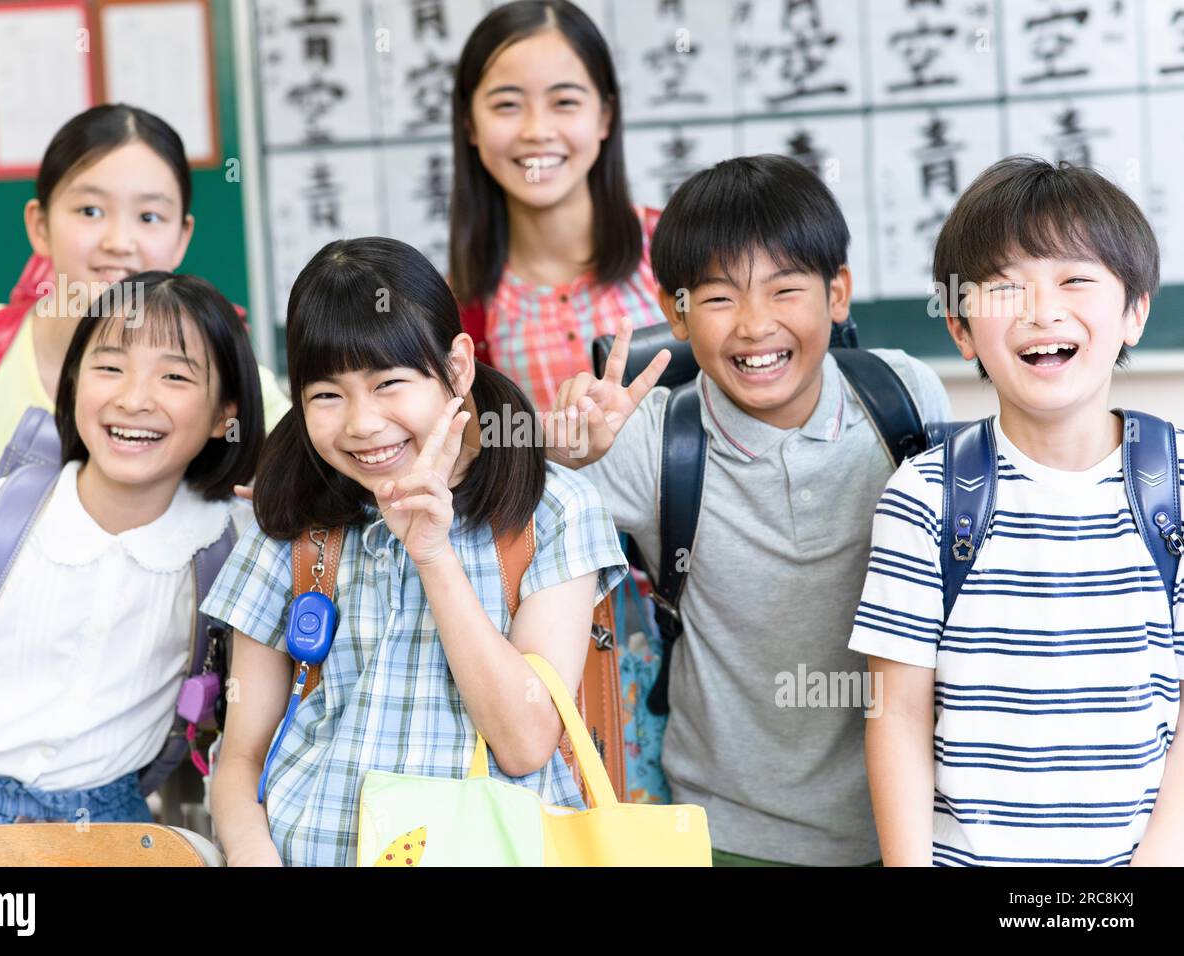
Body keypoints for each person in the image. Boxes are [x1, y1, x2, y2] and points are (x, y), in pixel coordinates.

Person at [546, 155, 952, 865]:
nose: (755, 326)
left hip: (909, 822)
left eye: (786, 288)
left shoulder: (906, 398)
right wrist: (567, 460)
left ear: (838, 294)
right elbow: (499, 524)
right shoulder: (648, 440)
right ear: (676, 312)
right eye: (720, 298)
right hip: (728, 833)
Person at [202, 237, 627, 866]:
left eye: (389, 383)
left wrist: (433, 554)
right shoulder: (292, 525)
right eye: (326, 394)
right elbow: (240, 757)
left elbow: (525, 741)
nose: (362, 423)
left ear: (457, 367)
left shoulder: (552, 511)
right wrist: (250, 855)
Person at [850, 157, 1183, 866]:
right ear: (961, 329)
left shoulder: (1176, 487)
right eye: (1004, 287)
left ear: (1135, 312)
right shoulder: (925, 497)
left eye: (1075, 279)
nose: (1042, 310)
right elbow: (899, 714)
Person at [0, 272, 263, 828]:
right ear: (74, 383)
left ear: (224, 414)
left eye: (175, 376)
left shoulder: (236, 549)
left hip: (108, 830)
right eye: (109, 367)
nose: (134, 398)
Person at [449, 0, 666, 412]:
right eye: (507, 105)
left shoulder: (680, 247)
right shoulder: (455, 313)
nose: (537, 131)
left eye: (564, 101)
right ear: (470, 125)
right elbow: (478, 461)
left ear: (605, 116)